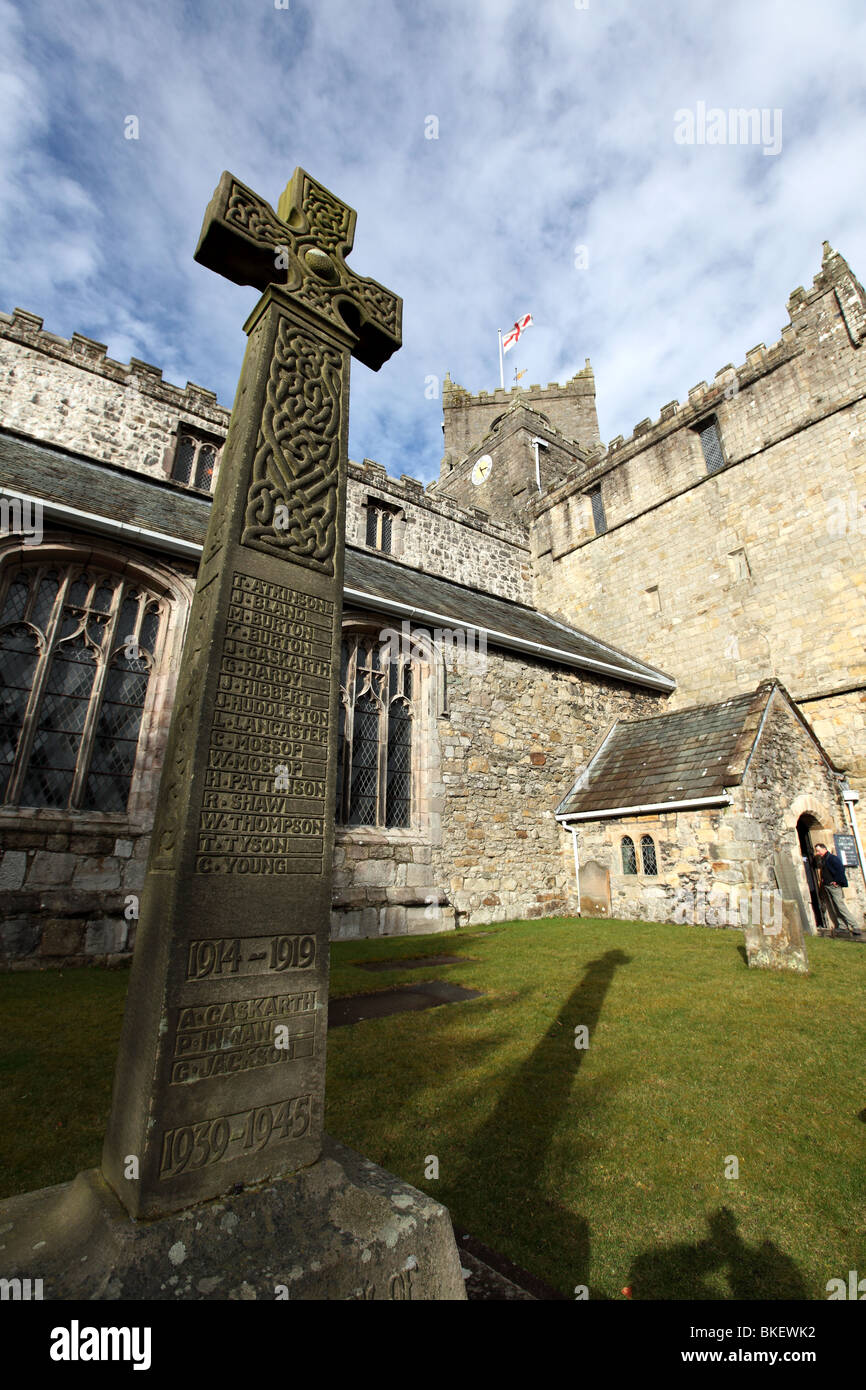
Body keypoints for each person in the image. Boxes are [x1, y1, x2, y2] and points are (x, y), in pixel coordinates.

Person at [813, 843, 864, 940]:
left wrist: (836, 881)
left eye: (818, 850)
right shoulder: (824, 859)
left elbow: (840, 870)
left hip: (834, 886)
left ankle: (855, 926)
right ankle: (842, 926)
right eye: (816, 851)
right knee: (834, 906)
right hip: (828, 886)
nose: (817, 853)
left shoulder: (832, 858)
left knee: (840, 906)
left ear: (824, 849)